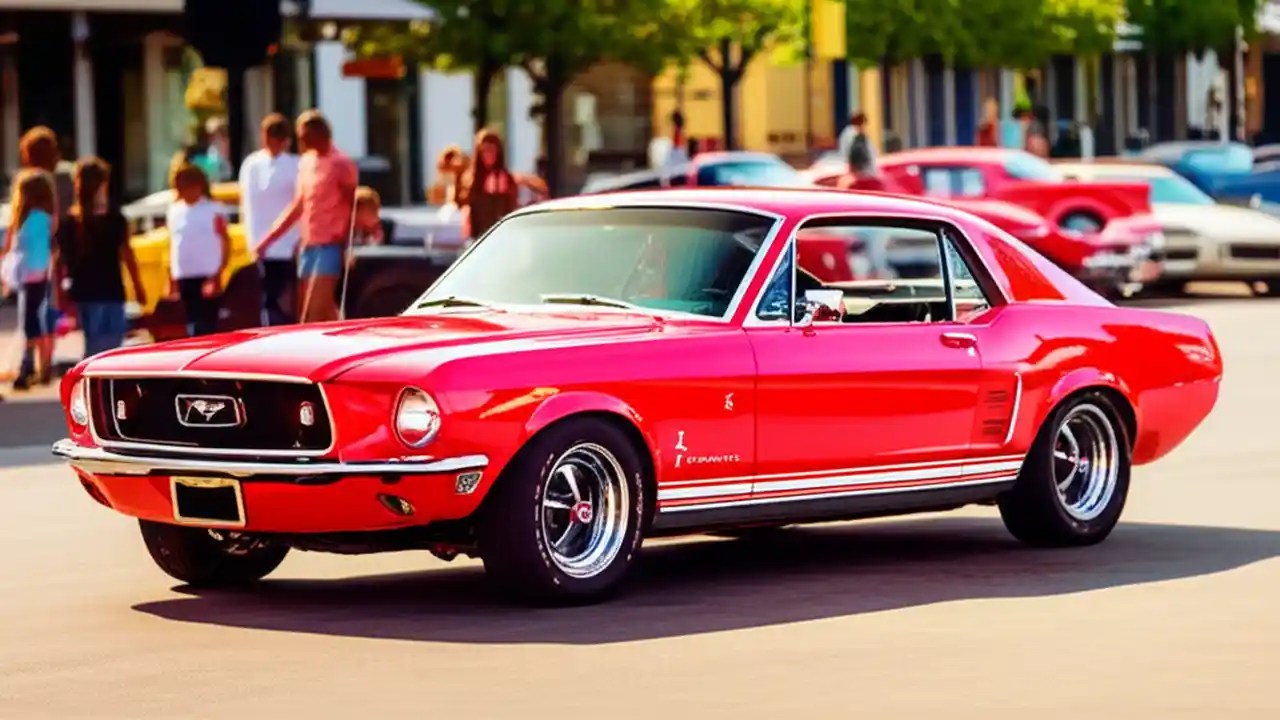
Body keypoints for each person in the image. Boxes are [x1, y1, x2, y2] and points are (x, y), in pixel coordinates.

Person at [256, 109, 358, 324]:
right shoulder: (306, 162)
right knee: (311, 309)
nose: (299, 140)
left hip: (331, 243)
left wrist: (349, 244)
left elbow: (352, 204)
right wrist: (269, 238)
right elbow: (299, 205)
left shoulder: (341, 164)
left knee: (314, 309)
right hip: (309, 243)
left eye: (303, 136)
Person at [55, 157, 146, 358]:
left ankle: (95, 385)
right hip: (110, 290)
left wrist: (61, 296)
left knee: (95, 346)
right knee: (111, 347)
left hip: (86, 292)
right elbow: (127, 253)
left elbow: (60, 262)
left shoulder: (72, 221)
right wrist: (138, 285)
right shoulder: (114, 217)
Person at [239, 113, 300, 326]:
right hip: (262, 243)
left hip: (288, 243)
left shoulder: (295, 165)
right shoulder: (252, 165)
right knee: (268, 297)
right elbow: (246, 203)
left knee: (283, 297)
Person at [2, 169, 57, 388]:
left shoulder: (34, 219)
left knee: (30, 324)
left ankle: (28, 366)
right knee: (34, 323)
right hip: (36, 275)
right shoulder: (42, 218)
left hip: (33, 276)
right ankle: (35, 366)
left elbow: (32, 249)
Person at [167, 164, 230, 337]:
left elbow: (225, 241)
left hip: (208, 275)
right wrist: (171, 279)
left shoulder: (214, 209)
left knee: (207, 325)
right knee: (190, 325)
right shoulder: (174, 210)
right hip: (184, 277)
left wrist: (218, 274)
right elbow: (173, 244)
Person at [457, 128, 520, 241]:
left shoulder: (506, 178)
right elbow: (467, 206)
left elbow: (510, 208)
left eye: (492, 150)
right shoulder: (471, 179)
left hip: (501, 236)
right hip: (477, 237)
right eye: (485, 151)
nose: (488, 155)